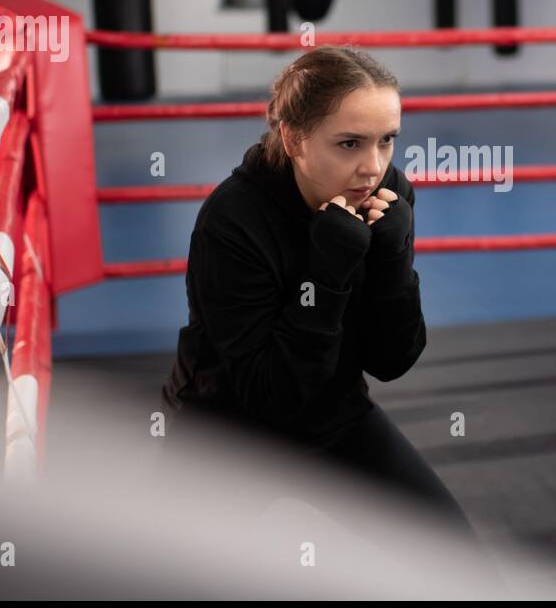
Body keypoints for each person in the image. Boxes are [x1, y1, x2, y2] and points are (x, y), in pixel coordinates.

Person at [160, 45, 480, 545]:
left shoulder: (384, 194)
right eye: (349, 144)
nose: (372, 167)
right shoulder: (233, 221)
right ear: (293, 138)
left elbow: (392, 359)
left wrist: (392, 258)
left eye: (387, 141)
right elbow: (271, 394)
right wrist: (325, 272)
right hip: (226, 434)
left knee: (451, 557)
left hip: (334, 416)